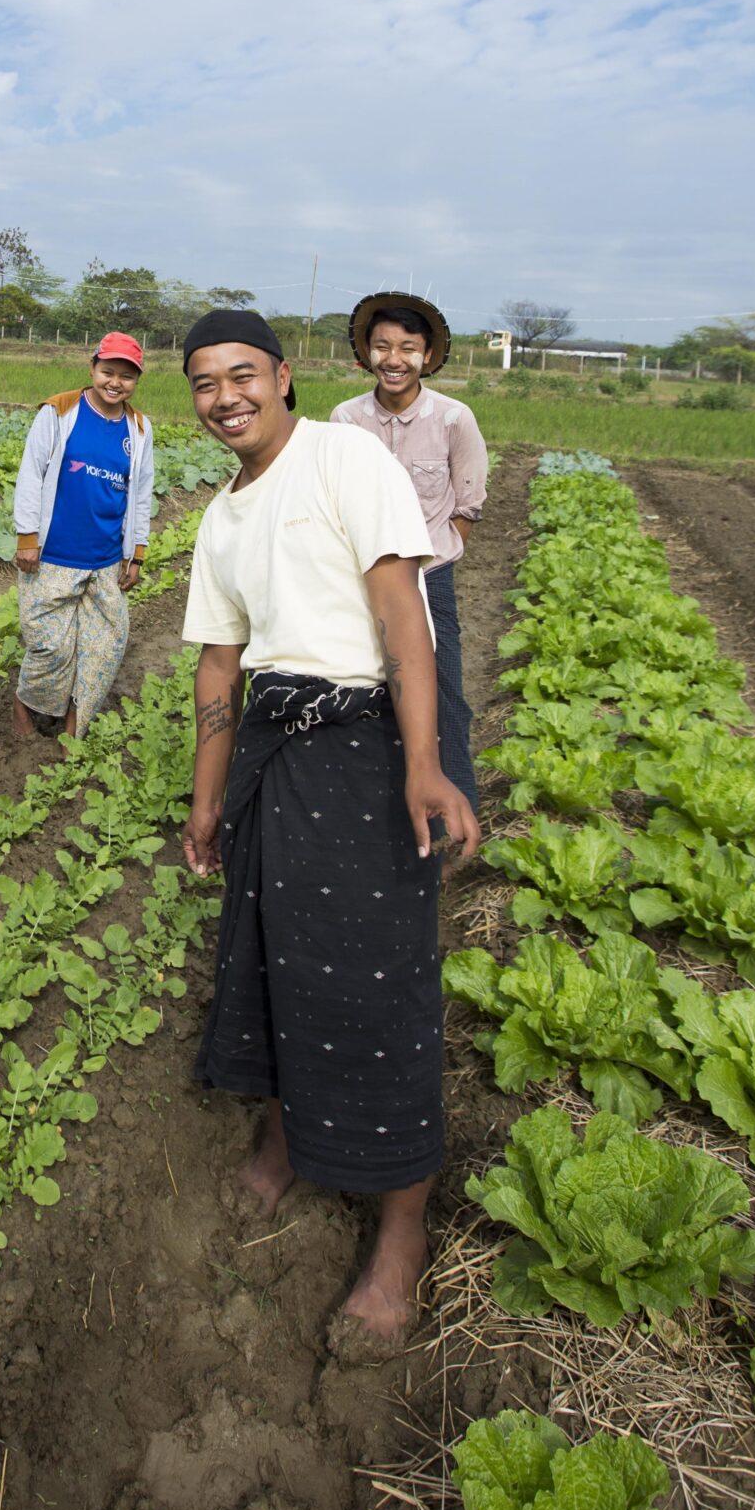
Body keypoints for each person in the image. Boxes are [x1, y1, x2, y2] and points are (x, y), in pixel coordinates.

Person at [177, 310, 479, 1343]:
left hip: (366, 735)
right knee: (266, 951)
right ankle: (285, 1138)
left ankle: (401, 1233)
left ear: (283, 376)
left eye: (242, 375)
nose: (227, 397)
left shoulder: (346, 457)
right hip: (274, 745)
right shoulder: (220, 518)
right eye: (207, 383)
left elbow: (405, 617)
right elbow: (221, 666)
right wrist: (207, 799)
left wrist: (427, 765)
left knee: (376, 973)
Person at [332, 293, 488, 811]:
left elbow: (468, 504)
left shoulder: (452, 418)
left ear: (426, 356)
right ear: (367, 354)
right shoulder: (347, 418)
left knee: (443, 695)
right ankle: (376, 806)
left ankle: (454, 817)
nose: (393, 358)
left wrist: (433, 559)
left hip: (430, 577)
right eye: (382, 347)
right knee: (363, 689)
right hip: (362, 577)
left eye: (407, 347)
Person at [11, 331, 155, 740]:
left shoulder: (139, 429)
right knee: (51, 647)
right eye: (107, 371)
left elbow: (140, 494)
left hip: (106, 560)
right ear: (92, 367)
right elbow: (31, 475)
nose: (115, 382)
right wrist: (26, 537)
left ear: (136, 381)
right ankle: (23, 705)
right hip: (53, 555)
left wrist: (137, 553)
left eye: (126, 377)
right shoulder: (59, 412)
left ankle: (74, 730)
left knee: (104, 649)